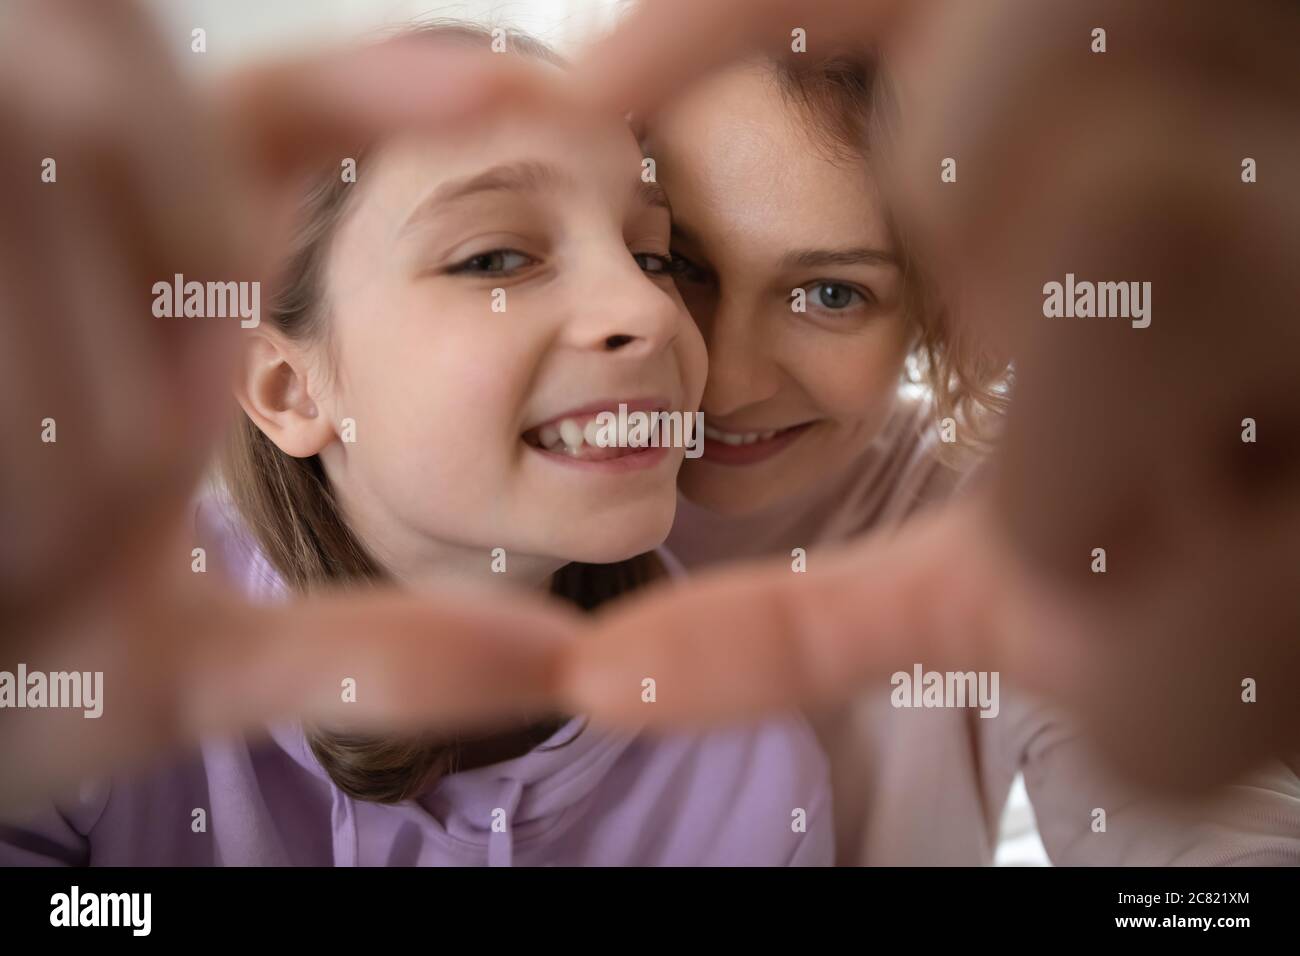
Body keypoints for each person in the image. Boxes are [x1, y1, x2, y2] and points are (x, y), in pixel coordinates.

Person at [0, 21, 832, 867]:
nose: (651, 311)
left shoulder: (749, 768)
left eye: (652, 256)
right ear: (288, 390)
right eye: (496, 258)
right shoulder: (92, 668)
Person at [624, 51, 1299, 864]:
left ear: (941, 313)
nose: (727, 384)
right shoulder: (494, 503)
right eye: (680, 263)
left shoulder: (997, 521)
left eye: (834, 294)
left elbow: (1214, 852)